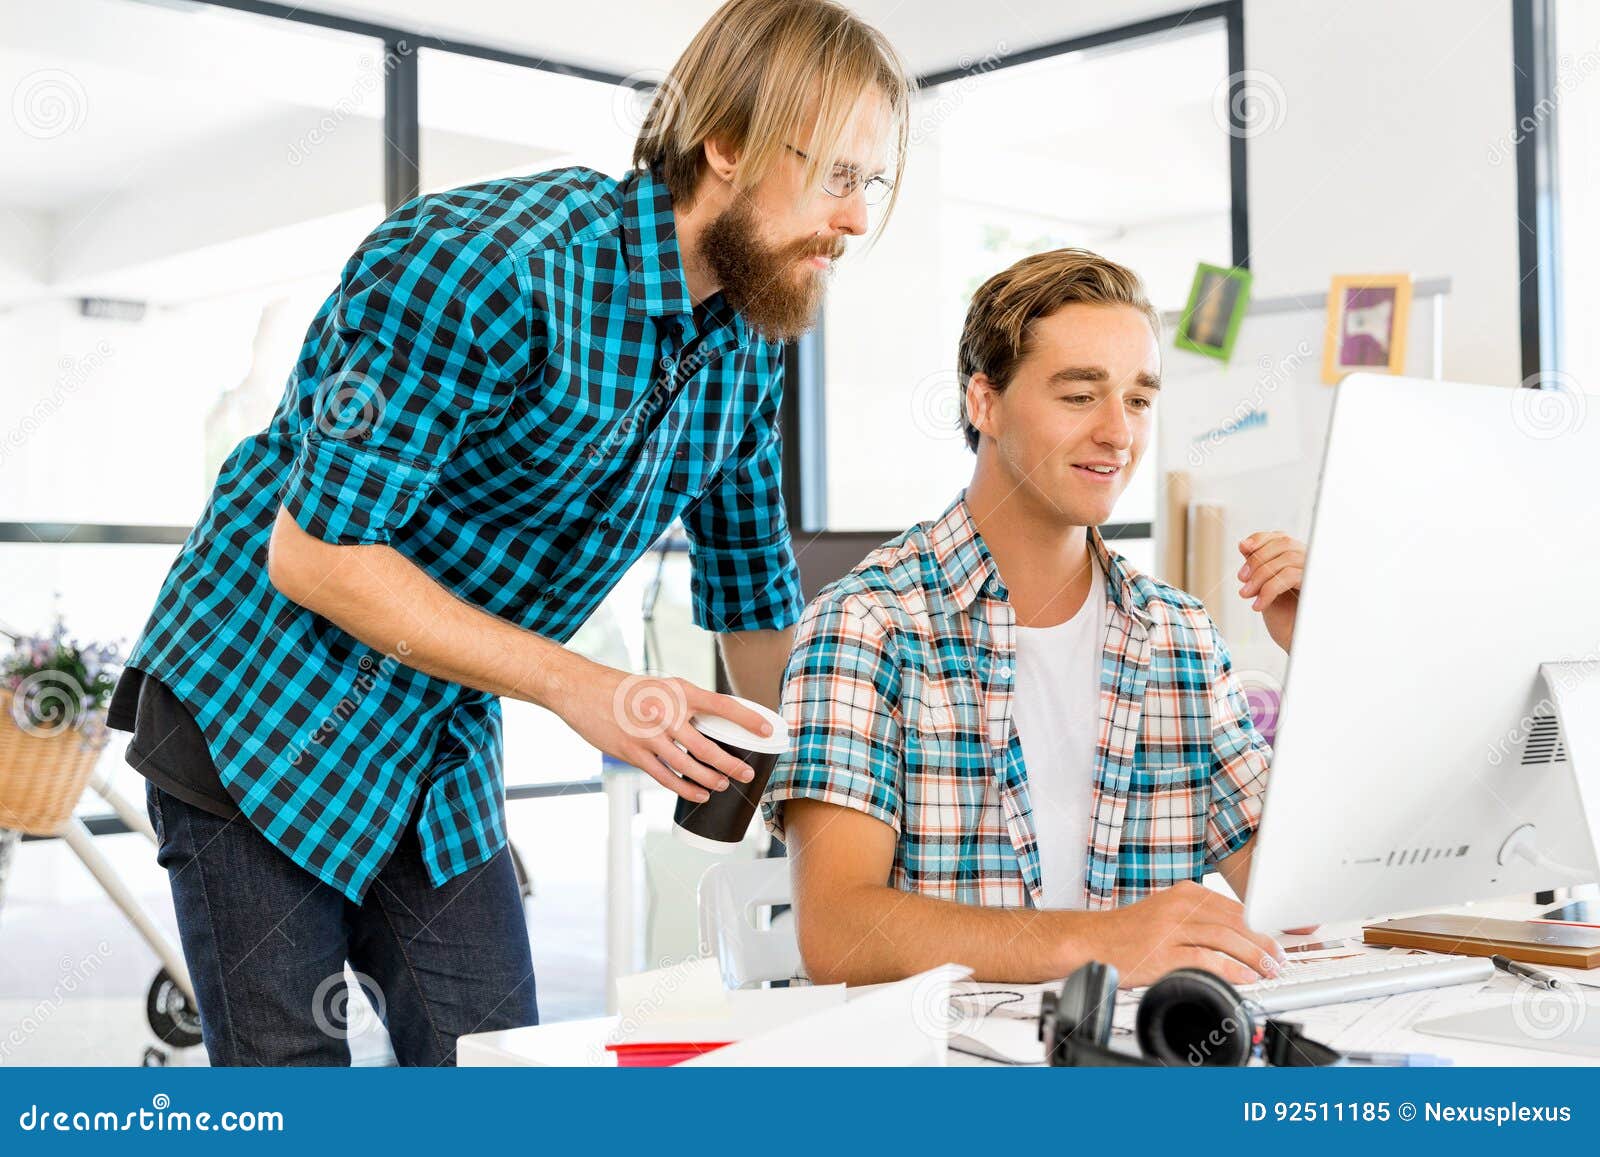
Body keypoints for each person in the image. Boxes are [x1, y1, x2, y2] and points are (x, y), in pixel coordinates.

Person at [106, 0, 910, 1065]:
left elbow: (756, 607)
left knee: (499, 1074)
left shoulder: (749, 345)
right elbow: (314, 553)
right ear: (725, 142)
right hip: (260, 711)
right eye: (837, 177)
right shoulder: (485, 267)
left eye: (875, 186)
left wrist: (828, 811)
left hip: (433, 739)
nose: (854, 222)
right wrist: (584, 687)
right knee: (296, 1091)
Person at [763, 248, 1307, 988]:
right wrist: (1104, 942)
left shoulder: (1177, 633)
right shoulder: (866, 625)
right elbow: (838, 932)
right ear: (983, 402)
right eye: (1080, 396)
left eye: (1139, 400)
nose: (1119, 432)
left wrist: (1319, 659)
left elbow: (1299, 899)